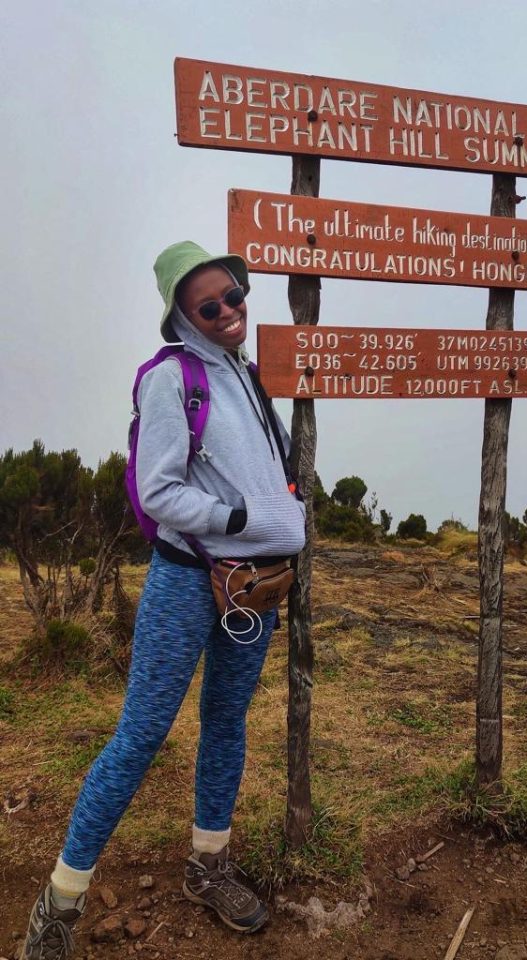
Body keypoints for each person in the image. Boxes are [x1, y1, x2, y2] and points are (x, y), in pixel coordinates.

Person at [23, 241, 306, 959]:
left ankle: (208, 866)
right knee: (142, 735)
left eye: (234, 295)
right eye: (208, 305)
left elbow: (252, 467)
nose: (228, 311)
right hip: (187, 579)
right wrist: (239, 519)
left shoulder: (245, 376)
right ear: (181, 314)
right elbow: (158, 491)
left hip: (256, 584)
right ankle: (61, 901)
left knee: (227, 725)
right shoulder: (170, 379)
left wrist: (284, 510)